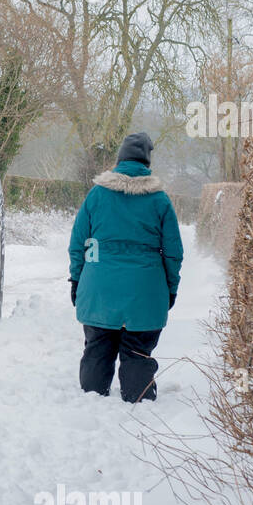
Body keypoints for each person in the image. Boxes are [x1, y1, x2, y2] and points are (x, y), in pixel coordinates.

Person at [67, 132, 183, 402]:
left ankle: (92, 398)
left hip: (98, 288)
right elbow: (174, 253)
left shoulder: (97, 195)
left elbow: (79, 243)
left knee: (97, 348)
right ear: (147, 162)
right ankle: (138, 398)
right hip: (145, 291)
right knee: (138, 351)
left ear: (119, 160)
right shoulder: (160, 200)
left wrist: (76, 278)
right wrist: (170, 288)